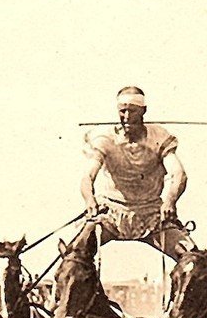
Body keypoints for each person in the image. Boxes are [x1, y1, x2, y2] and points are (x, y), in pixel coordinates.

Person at [78, 86, 197, 259]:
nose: (126, 117)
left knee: (194, 259)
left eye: (132, 111)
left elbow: (179, 174)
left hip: (152, 216)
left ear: (143, 111)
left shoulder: (159, 137)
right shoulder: (105, 139)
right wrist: (90, 200)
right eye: (122, 111)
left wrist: (170, 200)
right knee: (73, 255)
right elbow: (87, 177)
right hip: (110, 214)